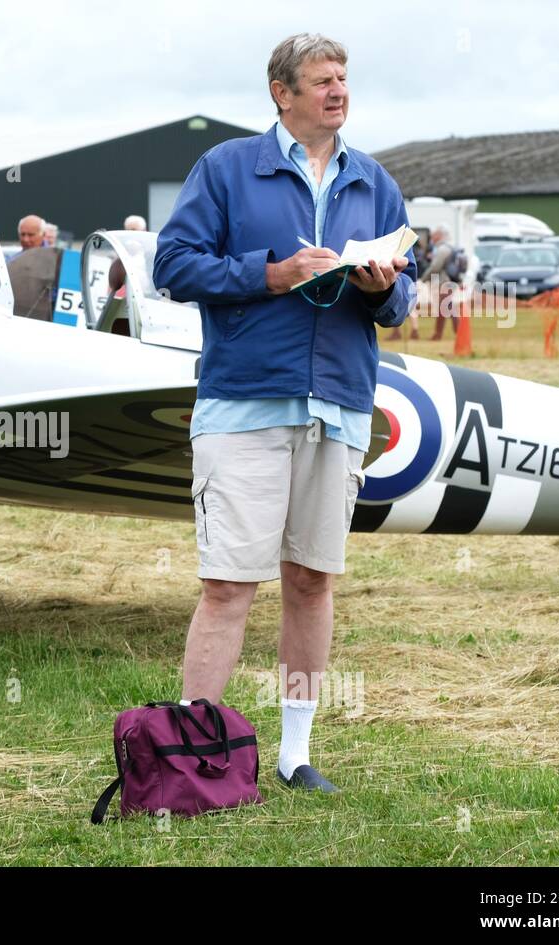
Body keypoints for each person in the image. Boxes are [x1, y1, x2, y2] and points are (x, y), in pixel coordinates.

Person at [153, 33, 415, 794]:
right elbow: (173, 264)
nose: (338, 91)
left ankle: (295, 757)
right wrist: (271, 274)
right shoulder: (227, 168)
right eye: (322, 81)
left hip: (337, 408)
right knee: (229, 586)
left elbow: (401, 300)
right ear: (282, 93)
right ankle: (191, 757)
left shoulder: (375, 182)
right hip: (243, 405)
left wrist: (376, 287)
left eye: (343, 79)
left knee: (310, 582)